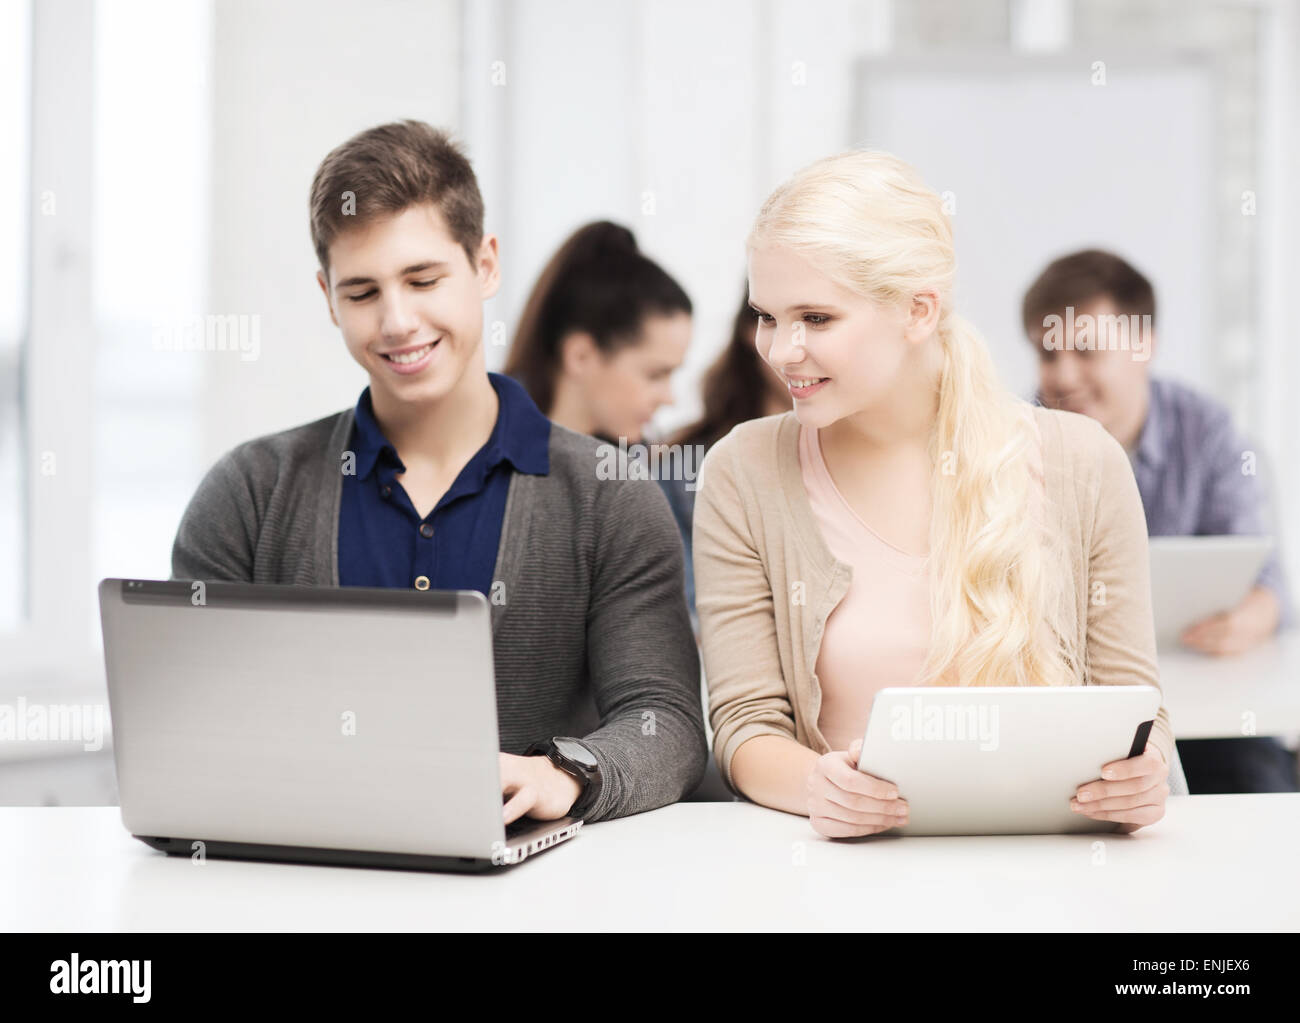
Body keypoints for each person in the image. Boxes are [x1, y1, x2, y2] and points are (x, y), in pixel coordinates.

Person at [169, 120, 706, 825]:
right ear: (327, 295)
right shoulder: (249, 492)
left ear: (485, 264)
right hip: (305, 884)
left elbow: (664, 722)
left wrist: (566, 773)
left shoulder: (610, 495)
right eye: (361, 292)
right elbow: (187, 730)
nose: (397, 321)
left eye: (423, 279)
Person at [694, 150, 1174, 838]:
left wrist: (1144, 772)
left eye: (817, 318)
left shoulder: (1084, 462)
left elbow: (1141, 709)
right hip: (847, 871)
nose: (781, 349)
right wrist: (818, 787)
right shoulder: (743, 471)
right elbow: (744, 726)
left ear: (919, 310)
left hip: (1053, 870)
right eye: (767, 316)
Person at [1022, 248, 1298, 794]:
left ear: (1142, 345)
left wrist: (1254, 615)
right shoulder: (1019, 435)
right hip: (1075, 703)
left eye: (1086, 351)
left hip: (1208, 690)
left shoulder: (1207, 430)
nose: (1064, 375)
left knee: (1258, 786)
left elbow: (1271, 585)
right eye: (1048, 355)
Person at [660, 286, 792, 629]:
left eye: (821, 321)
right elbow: (688, 618)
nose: (797, 351)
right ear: (753, 331)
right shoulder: (683, 467)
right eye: (774, 321)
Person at [504, 220, 691, 445]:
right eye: (655, 375)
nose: (670, 399)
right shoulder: (477, 450)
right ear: (580, 356)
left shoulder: (637, 468)